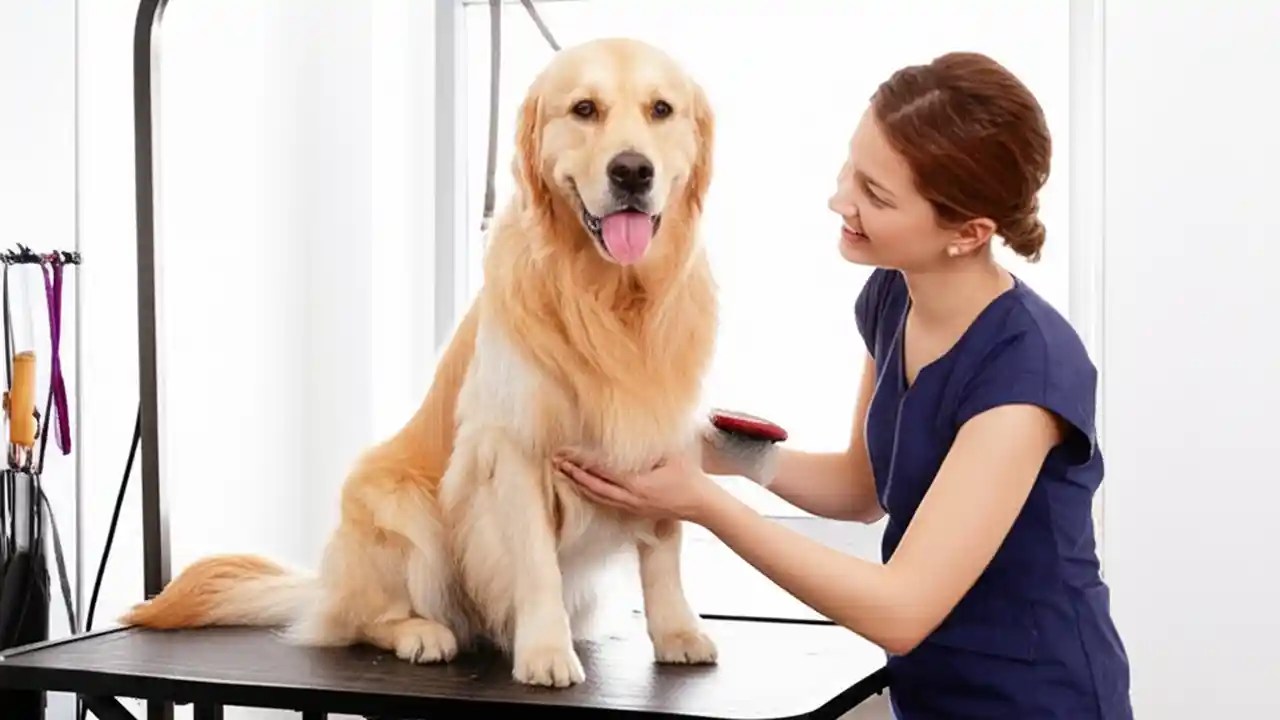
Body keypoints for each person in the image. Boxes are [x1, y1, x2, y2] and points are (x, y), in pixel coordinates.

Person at [553, 51, 1133, 719]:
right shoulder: (895, 295)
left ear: (970, 233)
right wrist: (702, 445)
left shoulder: (1027, 375)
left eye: (875, 195)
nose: (840, 200)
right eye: (852, 168)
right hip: (931, 696)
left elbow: (902, 610)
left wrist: (704, 502)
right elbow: (861, 488)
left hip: (1038, 701)